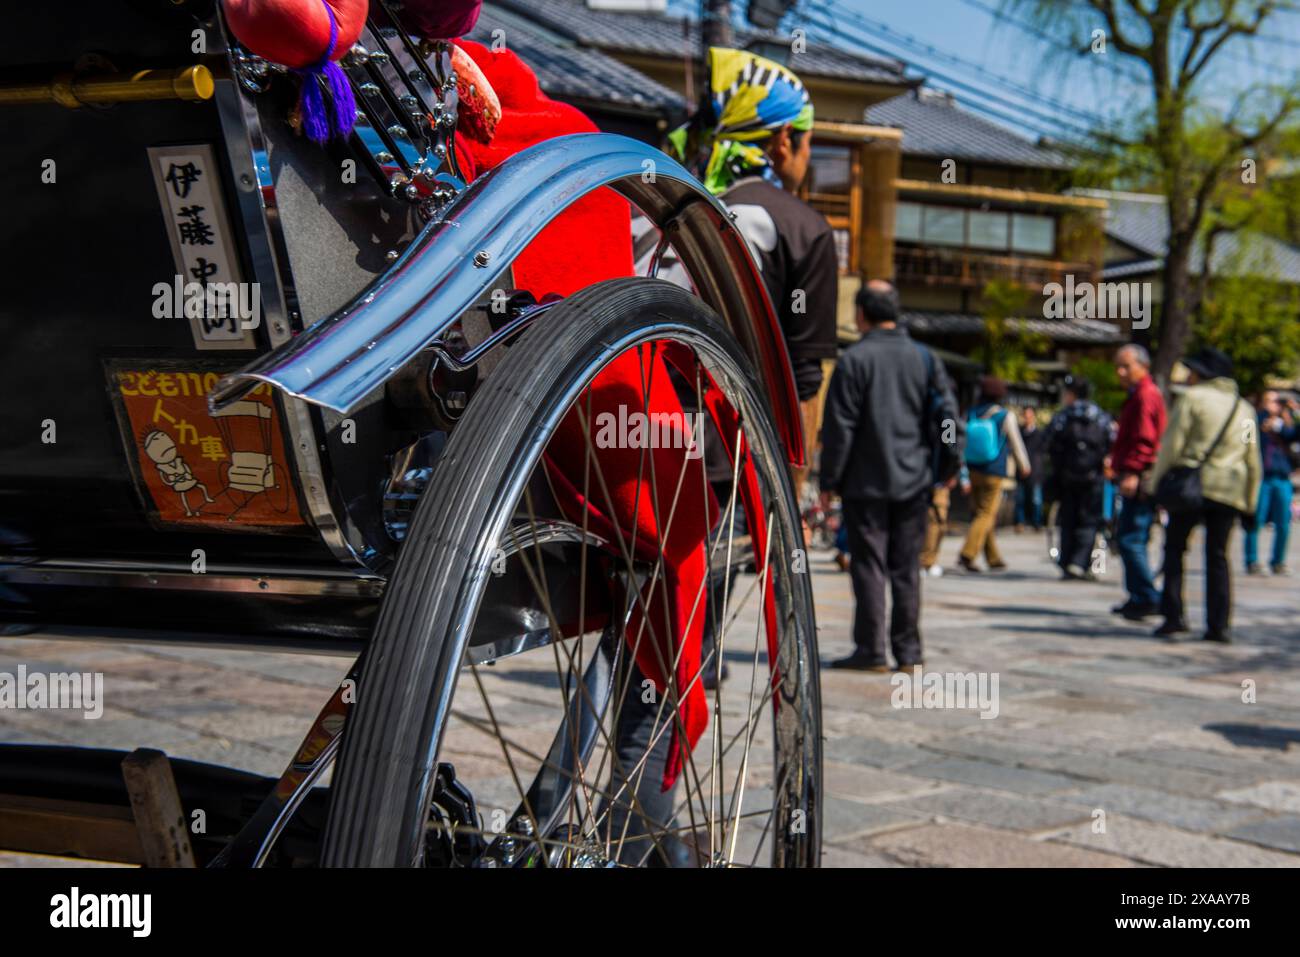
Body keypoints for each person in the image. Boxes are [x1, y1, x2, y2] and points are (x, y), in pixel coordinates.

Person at [665, 47, 838, 496]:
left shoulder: (655, 205)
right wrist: (791, 503)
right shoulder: (802, 227)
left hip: (610, 430)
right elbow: (803, 384)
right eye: (809, 141)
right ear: (784, 139)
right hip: (719, 461)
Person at [819, 280, 959, 671]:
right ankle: (909, 652)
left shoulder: (854, 361)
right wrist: (948, 465)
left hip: (866, 482)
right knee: (905, 566)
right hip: (913, 481)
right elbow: (948, 418)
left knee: (869, 565)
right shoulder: (925, 358)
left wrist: (829, 481)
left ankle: (871, 650)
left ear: (860, 314)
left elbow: (840, 427)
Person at [1147, 348, 1261, 643]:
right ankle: (1218, 625)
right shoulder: (1245, 410)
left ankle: (1174, 616)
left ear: (1203, 374)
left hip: (1191, 486)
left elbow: (1172, 446)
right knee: (1218, 557)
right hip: (1230, 489)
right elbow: (1252, 459)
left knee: (1175, 549)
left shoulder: (1192, 399)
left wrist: (1155, 484)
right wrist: (1250, 503)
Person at [1109, 344, 1168, 619]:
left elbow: (1145, 440)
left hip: (1141, 477)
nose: (1120, 372)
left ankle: (1146, 595)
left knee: (1131, 538)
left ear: (1142, 366)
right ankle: (1138, 596)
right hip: (1134, 473)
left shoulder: (1146, 395)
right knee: (1133, 537)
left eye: (1126, 366)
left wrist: (1132, 471)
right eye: (1118, 367)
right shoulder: (1139, 394)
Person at [958, 377, 1030, 573]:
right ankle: (967, 553)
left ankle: (993, 558)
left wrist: (958, 467)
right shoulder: (1004, 415)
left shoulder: (970, 413)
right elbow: (1016, 442)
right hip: (994, 470)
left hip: (972, 468)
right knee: (986, 514)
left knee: (980, 512)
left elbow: (955, 437)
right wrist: (1024, 464)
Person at [1047, 376, 1113, 580]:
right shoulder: (1100, 417)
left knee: (1068, 519)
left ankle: (1067, 561)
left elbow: (1048, 442)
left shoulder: (1063, 416)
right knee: (1089, 520)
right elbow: (1111, 443)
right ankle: (1079, 561)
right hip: (1094, 476)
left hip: (1066, 476)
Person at [1244, 390, 1297, 576]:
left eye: (1276, 402)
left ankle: (1278, 562)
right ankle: (1252, 561)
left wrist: (1293, 412)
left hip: (1282, 477)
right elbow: (1245, 440)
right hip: (1260, 478)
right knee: (1255, 520)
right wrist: (1262, 420)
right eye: (1269, 401)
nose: (1273, 405)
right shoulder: (1252, 420)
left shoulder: (1285, 424)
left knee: (1284, 523)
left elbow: (1295, 435)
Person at [1014, 407, 1047, 531]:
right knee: (1020, 499)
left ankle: (1037, 522)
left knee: (1036, 499)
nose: (1027, 418)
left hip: (1036, 471)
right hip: (1021, 470)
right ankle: (1020, 522)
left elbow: (1042, 452)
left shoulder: (1039, 433)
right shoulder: (1019, 432)